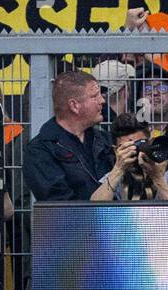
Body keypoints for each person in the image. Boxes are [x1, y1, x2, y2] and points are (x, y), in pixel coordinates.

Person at [25, 69, 112, 201]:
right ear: (74, 106)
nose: (102, 101)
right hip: (70, 220)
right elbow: (61, 206)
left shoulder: (103, 139)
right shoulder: (40, 151)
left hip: (114, 220)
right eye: (94, 96)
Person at [93, 112, 168, 201]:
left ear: (150, 143)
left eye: (139, 145)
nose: (134, 152)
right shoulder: (111, 180)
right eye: (126, 149)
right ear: (116, 151)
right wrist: (118, 170)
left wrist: (158, 179)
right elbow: (93, 214)